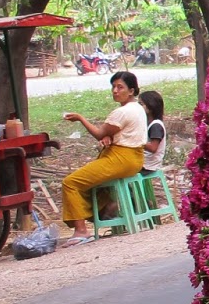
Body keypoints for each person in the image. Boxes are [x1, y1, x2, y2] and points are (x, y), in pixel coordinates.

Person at [60, 71, 149, 245]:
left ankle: (81, 231)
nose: (115, 90)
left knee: (71, 183)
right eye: (113, 87)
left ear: (131, 91)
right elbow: (114, 133)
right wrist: (109, 137)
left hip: (121, 158)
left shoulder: (122, 112)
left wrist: (80, 118)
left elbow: (100, 133)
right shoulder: (138, 108)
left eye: (120, 87)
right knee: (91, 185)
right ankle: (107, 209)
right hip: (135, 159)